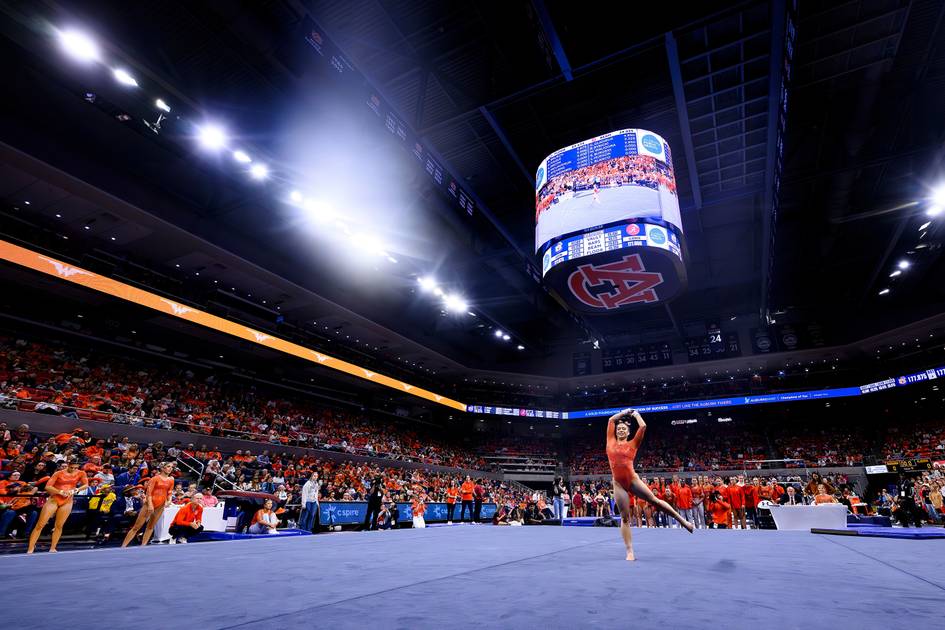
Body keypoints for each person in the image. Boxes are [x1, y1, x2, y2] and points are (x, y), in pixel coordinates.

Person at [606, 409, 693, 561]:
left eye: (623, 429)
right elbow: (611, 420)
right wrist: (624, 412)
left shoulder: (633, 443)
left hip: (632, 480)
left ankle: (683, 522)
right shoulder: (610, 441)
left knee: (655, 500)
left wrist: (635, 414)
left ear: (628, 433)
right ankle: (629, 551)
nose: (620, 430)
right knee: (625, 518)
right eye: (619, 429)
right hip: (618, 484)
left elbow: (643, 426)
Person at [27, 456, 89, 553]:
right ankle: (30, 548)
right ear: (68, 465)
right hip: (54, 499)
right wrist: (60, 492)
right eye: (72, 467)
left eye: (76, 468)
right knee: (40, 524)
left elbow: (86, 485)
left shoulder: (81, 473)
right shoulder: (58, 473)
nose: (73, 469)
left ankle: (53, 548)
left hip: (68, 500)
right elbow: (48, 487)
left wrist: (76, 490)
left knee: (59, 525)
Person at [122, 461, 176, 547]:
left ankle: (143, 546)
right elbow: (149, 493)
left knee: (151, 526)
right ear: (162, 468)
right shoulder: (155, 478)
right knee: (137, 527)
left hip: (160, 505)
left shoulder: (171, 480)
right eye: (168, 466)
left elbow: (169, 492)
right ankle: (123, 547)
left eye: (171, 467)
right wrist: (150, 505)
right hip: (149, 504)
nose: (170, 468)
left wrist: (169, 500)